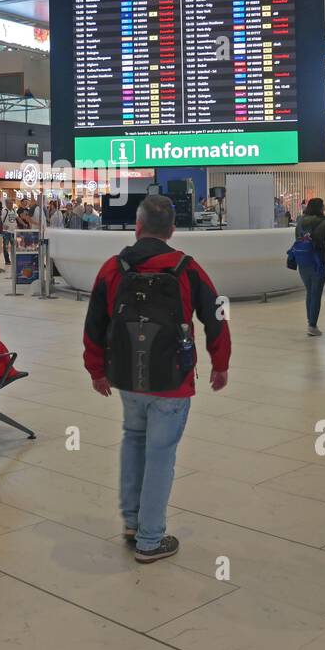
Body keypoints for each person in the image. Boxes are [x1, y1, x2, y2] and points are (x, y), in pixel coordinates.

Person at [83, 194, 230, 564]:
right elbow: (216, 315)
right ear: (172, 230)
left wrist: (96, 369)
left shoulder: (113, 267)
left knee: (133, 441)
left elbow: (94, 324)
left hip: (127, 376)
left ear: (138, 226)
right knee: (161, 455)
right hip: (172, 378)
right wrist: (220, 362)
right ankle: (150, 540)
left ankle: (133, 525)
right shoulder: (186, 268)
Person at [292, 197, 325, 337]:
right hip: (318, 262)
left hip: (303, 260)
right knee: (316, 294)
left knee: (309, 292)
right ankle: (312, 325)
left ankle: (310, 321)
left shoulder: (300, 222)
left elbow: (297, 237)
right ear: (320, 208)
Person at [0, 199, 18, 266]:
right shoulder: (5, 211)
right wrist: (3, 225)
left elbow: (17, 218)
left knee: (14, 246)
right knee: (6, 246)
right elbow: (0, 220)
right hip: (6, 232)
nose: (11, 204)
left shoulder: (13, 210)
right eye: (10, 203)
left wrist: (23, 224)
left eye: (12, 203)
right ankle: (7, 260)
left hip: (13, 231)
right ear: (6, 204)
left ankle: (14, 259)